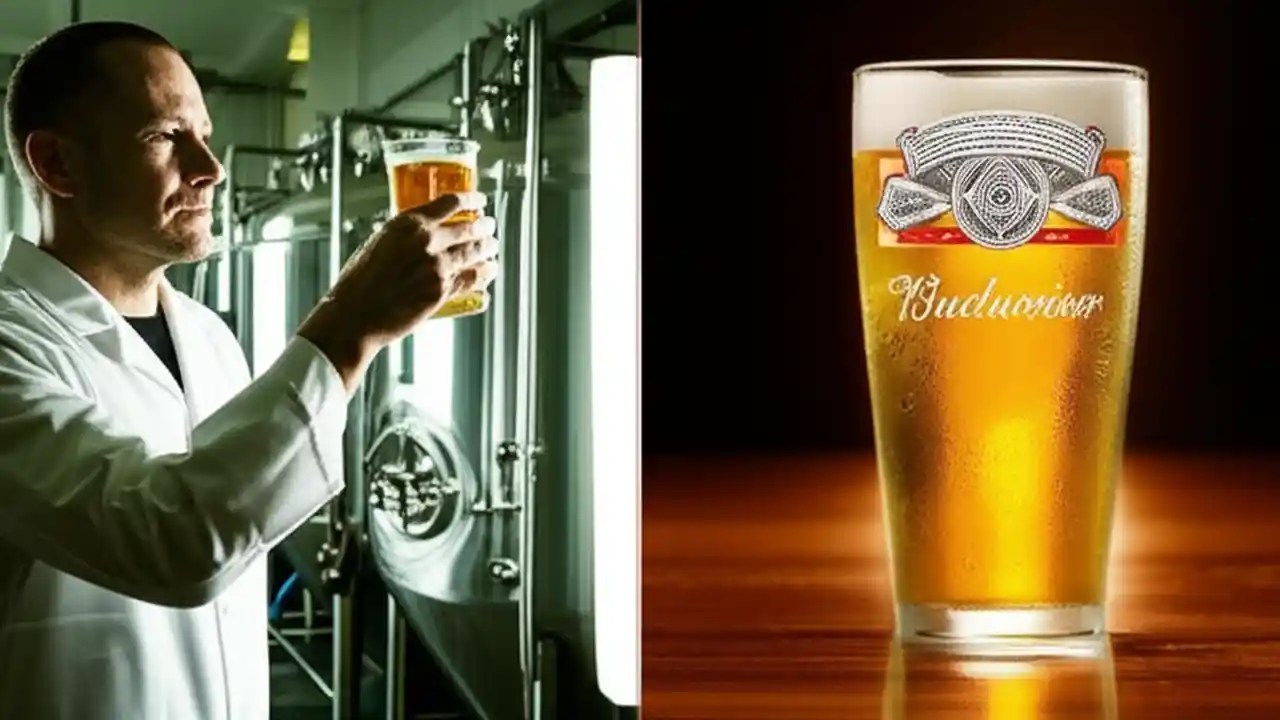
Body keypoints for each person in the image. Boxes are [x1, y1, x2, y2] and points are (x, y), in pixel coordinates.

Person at [0, 21, 498, 720]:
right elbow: (172, 540)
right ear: (57, 163)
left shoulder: (207, 337)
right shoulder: (12, 343)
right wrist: (349, 324)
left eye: (205, 134)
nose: (211, 166)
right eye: (166, 136)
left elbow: (241, 522)